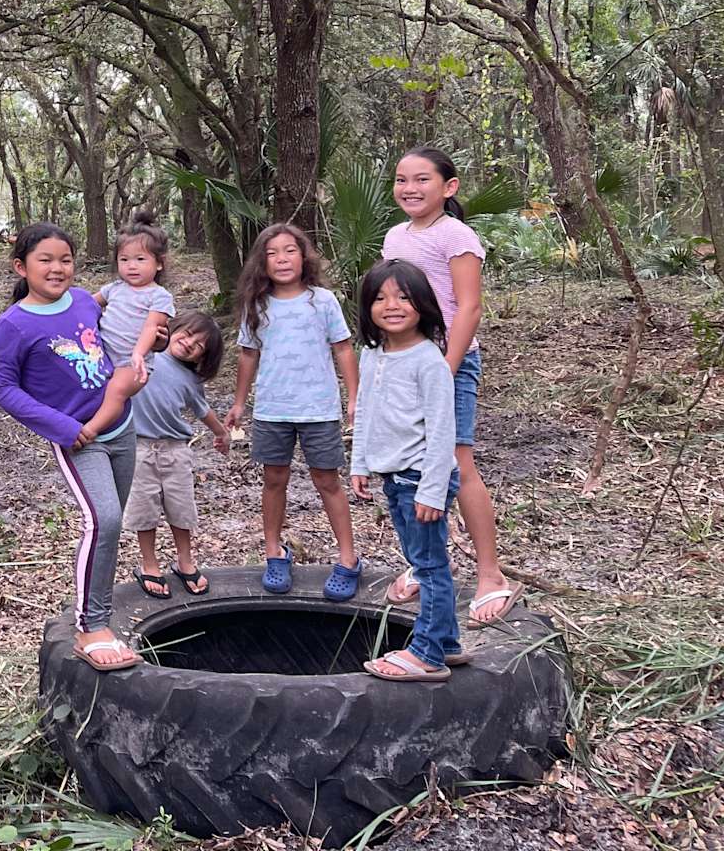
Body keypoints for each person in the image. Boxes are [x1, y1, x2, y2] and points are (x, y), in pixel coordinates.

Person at [0, 221, 146, 672]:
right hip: (79, 438)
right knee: (104, 519)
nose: (57, 268)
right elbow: (3, 389)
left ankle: (102, 612)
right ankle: (91, 626)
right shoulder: (13, 325)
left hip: (123, 426)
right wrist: (59, 426)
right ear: (21, 266)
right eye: (45, 260)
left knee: (112, 527)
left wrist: (141, 353)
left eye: (66, 259)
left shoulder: (82, 300)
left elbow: (109, 339)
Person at [379, 146, 522, 627]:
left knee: (456, 462)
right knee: (415, 465)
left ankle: (490, 574)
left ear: (449, 187)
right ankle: (426, 565)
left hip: (449, 365)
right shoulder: (395, 236)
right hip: (405, 365)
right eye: (402, 180)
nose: (410, 189)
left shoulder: (457, 235)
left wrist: (445, 367)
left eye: (422, 179)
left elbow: (469, 308)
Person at [223, 222, 362, 600]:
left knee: (327, 480)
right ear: (261, 262)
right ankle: (274, 552)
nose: (282, 259)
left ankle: (348, 558)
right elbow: (248, 354)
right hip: (272, 408)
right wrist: (239, 403)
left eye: (290, 251)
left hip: (318, 408)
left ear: (304, 257)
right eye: (272, 253)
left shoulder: (322, 300)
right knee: (274, 478)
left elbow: (343, 348)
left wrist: (354, 398)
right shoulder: (258, 304)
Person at [350, 258, 466, 681]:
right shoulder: (372, 355)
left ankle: (428, 652)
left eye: (402, 296)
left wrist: (432, 490)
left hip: (420, 477)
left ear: (423, 304)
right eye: (380, 298)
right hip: (393, 478)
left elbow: (442, 430)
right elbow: (365, 411)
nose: (391, 305)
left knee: (428, 566)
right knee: (423, 560)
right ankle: (447, 642)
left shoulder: (428, 361)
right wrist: (359, 462)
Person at [126, 310, 230, 598]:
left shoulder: (190, 380)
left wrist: (221, 433)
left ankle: (185, 561)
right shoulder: (143, 355)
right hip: (139, 447)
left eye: (198, 345)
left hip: (175, 449)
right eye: (187, 333)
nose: (188, 342)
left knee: (180, 507)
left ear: (201, 358)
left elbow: (203, 411)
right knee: (143, 509)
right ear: (173, 327)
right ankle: (150, 563)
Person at [94, 210, 176, 378]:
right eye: (124, 259)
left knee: (115, 394)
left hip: (131, 363)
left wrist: (138, 353)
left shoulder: (159, 296)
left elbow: (152, 327)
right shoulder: (114, 288)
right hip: (101, 356)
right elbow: (87, 304)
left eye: (140, 259)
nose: (131, 266)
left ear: (159, 263)